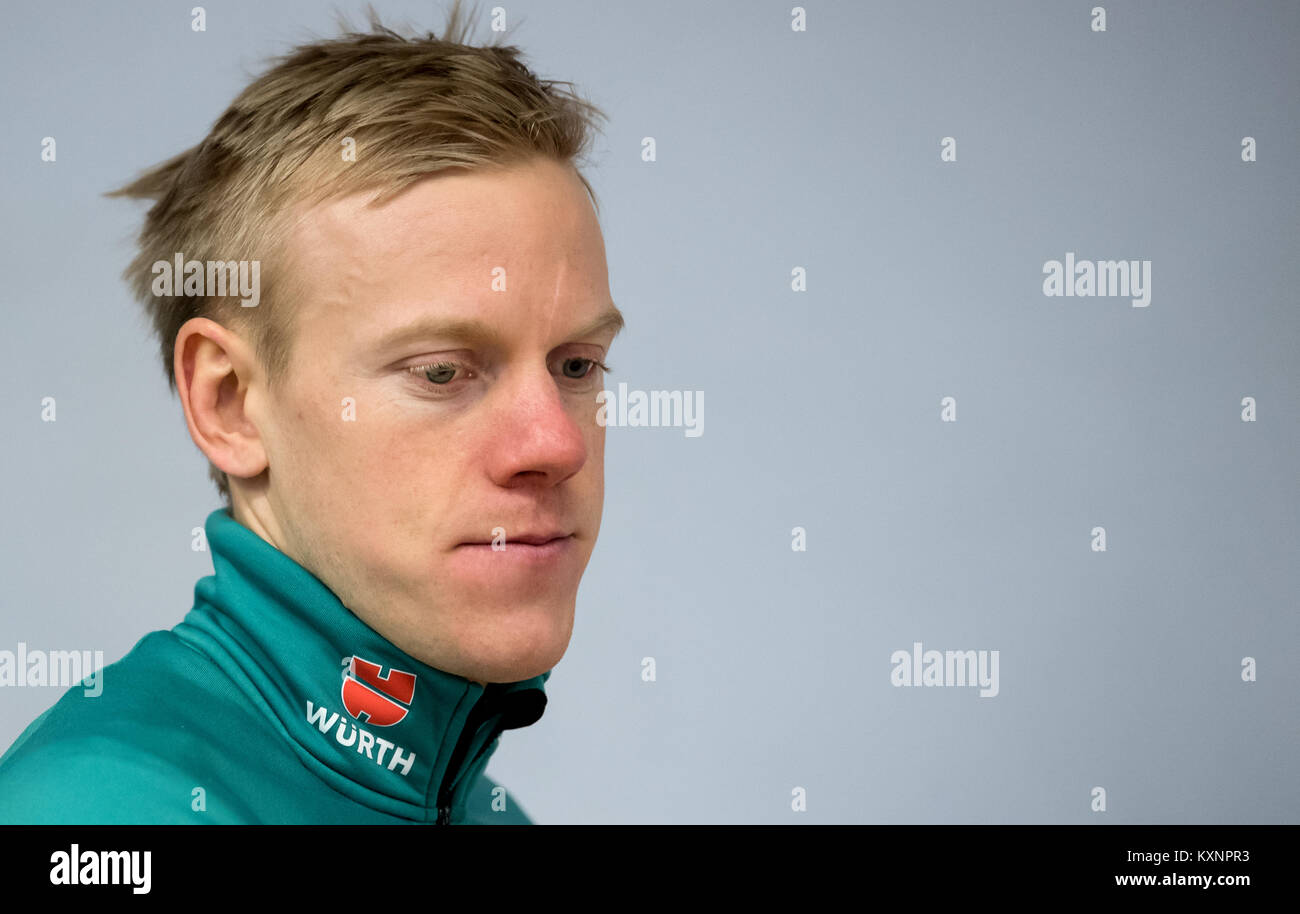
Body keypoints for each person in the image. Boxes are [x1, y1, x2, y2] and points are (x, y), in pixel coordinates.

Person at [0, 0, 622, 824]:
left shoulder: (486, 812)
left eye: (576, 365)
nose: (556, 441)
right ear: (229, 404)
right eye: (442, 371)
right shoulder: (97, 813)